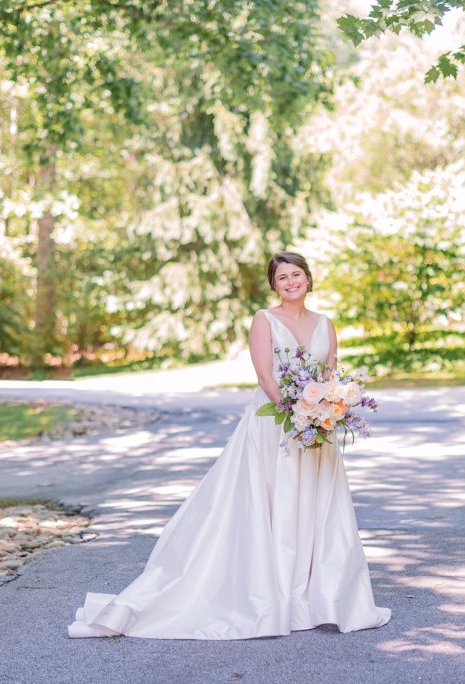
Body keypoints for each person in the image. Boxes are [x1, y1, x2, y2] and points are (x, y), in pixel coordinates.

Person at [68, 251, 391, 640]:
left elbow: (328, 373)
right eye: (282, 277)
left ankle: (317, 595)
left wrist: (327, 410)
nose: (290, 282)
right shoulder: (264, 320)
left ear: (308, 278)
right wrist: (298, 413)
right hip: (276, 426)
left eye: (296, 274)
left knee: (315, 504)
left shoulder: (326, 324)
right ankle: (272, 596)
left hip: (317, 430)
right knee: (275, 502)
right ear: (274, 285)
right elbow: (265, 376)